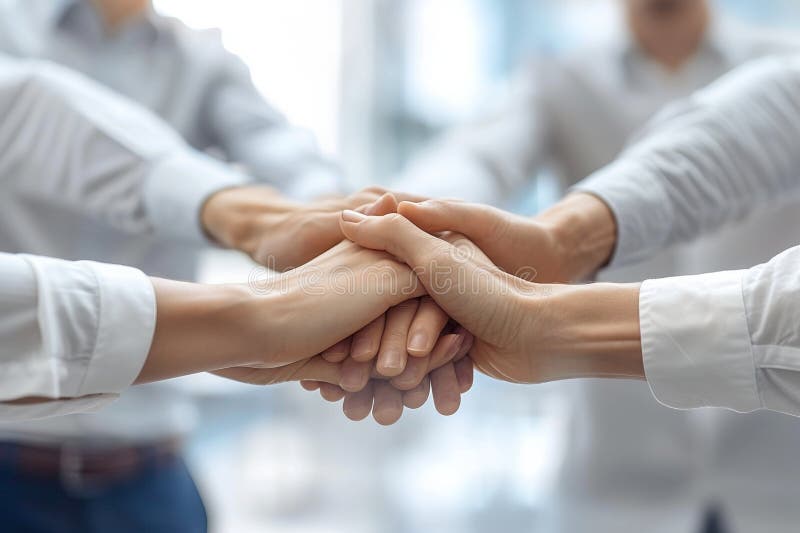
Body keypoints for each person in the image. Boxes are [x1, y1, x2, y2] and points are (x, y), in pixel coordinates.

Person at [0, 55, 467, 532]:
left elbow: (290, 157)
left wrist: (344, 228)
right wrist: (261, 311)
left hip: (152, 473)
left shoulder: (200, 61)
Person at [346, 53, 800, 533]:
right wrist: (406, 232)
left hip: (779, 489)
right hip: (615, 487)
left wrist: (544, 321)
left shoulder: (769, 52)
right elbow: (477, 156)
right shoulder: (562, 77)